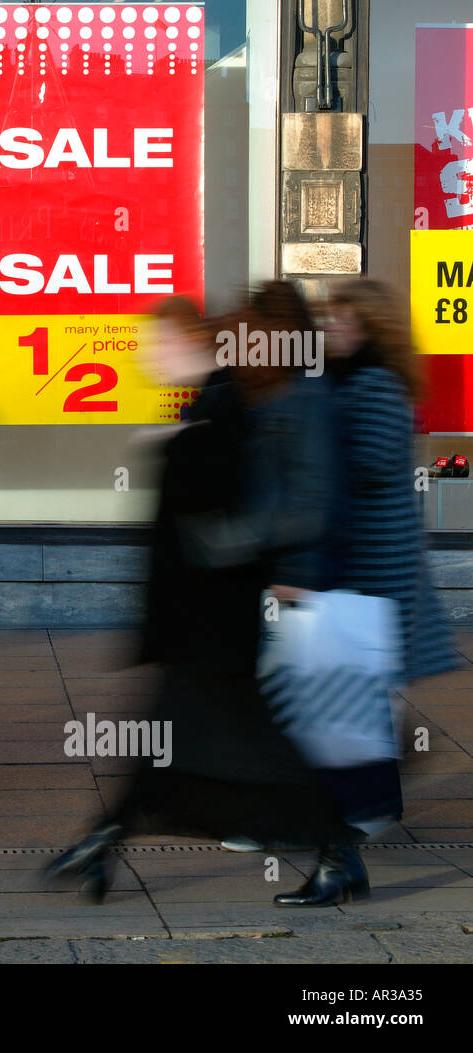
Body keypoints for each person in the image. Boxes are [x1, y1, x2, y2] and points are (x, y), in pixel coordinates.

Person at [45, 291, 357, 904]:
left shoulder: (268, 403)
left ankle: (336, 850)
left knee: (251, 739)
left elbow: (295, 506)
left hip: (221, 610)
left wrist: (228, 539)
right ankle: (104, 843)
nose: (148, 355)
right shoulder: (230, 401)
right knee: (172, 733)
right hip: (204, 611)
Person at [268, 279, 460, 906]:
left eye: (343, 322)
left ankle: (341, 847)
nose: (331, 330)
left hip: (371, 577)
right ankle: (353, 827)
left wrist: (310, 436)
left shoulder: (372, 385)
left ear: (372, 329)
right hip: (357, 576)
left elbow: (367, 465)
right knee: (348, 710)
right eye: (329, 320)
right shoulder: (347, 383)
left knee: (337, 714)